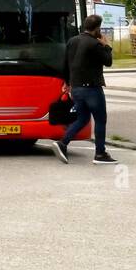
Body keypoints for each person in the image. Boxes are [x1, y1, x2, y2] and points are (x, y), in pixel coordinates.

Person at [52, 14, 117, 164]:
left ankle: (63, 143)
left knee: (83, 118)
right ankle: (100, 154)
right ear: (98, 28)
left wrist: (67, 82)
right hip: (92, 88)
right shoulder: (94, 44)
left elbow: (65, 63)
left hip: (76, 88)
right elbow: (108, 61)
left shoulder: (72, 41)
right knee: (100, 119)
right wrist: (106, 45)